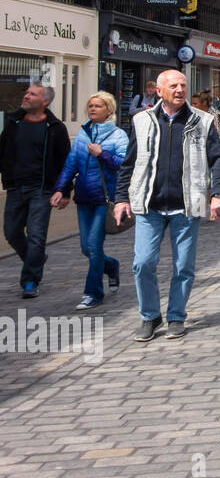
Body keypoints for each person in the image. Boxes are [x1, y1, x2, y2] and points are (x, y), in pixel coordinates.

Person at [114, 70, 220, 341]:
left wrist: (219, 193)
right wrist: (120, 198)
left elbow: (218, 159)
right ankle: (150, 316)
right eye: (173, 85)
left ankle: (176, 316)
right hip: (149, 205)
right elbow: (128, 163)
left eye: (183, 85)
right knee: (142, 263)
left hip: (187, 206)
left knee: (183, 266)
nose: (179, 89)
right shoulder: (141, 120)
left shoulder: (202, 120)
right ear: (159, 91)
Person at [50, 92, 130, 309]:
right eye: (90, 105)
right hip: (84, 197)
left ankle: (93, 293)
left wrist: (102, 153)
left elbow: (124, 164)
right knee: (86, 248)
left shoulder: (118, 135)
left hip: (105, 199)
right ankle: (111, 266)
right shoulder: (83, 134)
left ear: (109, 110)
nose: (92, 109)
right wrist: (61, 189)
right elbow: (71, 164)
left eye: (98, 106)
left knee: (94, 247)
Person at [2, 83, 71, 298]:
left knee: (36, 236)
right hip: (15, 187)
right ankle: (36, 259)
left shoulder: (55, 128)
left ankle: (30, 280)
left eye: (33, 94)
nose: (27, 96)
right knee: (12, 233)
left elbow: (66, 162)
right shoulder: (13, 122)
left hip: (42, 190)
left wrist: (65, 191)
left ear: (45, 101)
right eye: (27, 93)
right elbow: (2, 151)